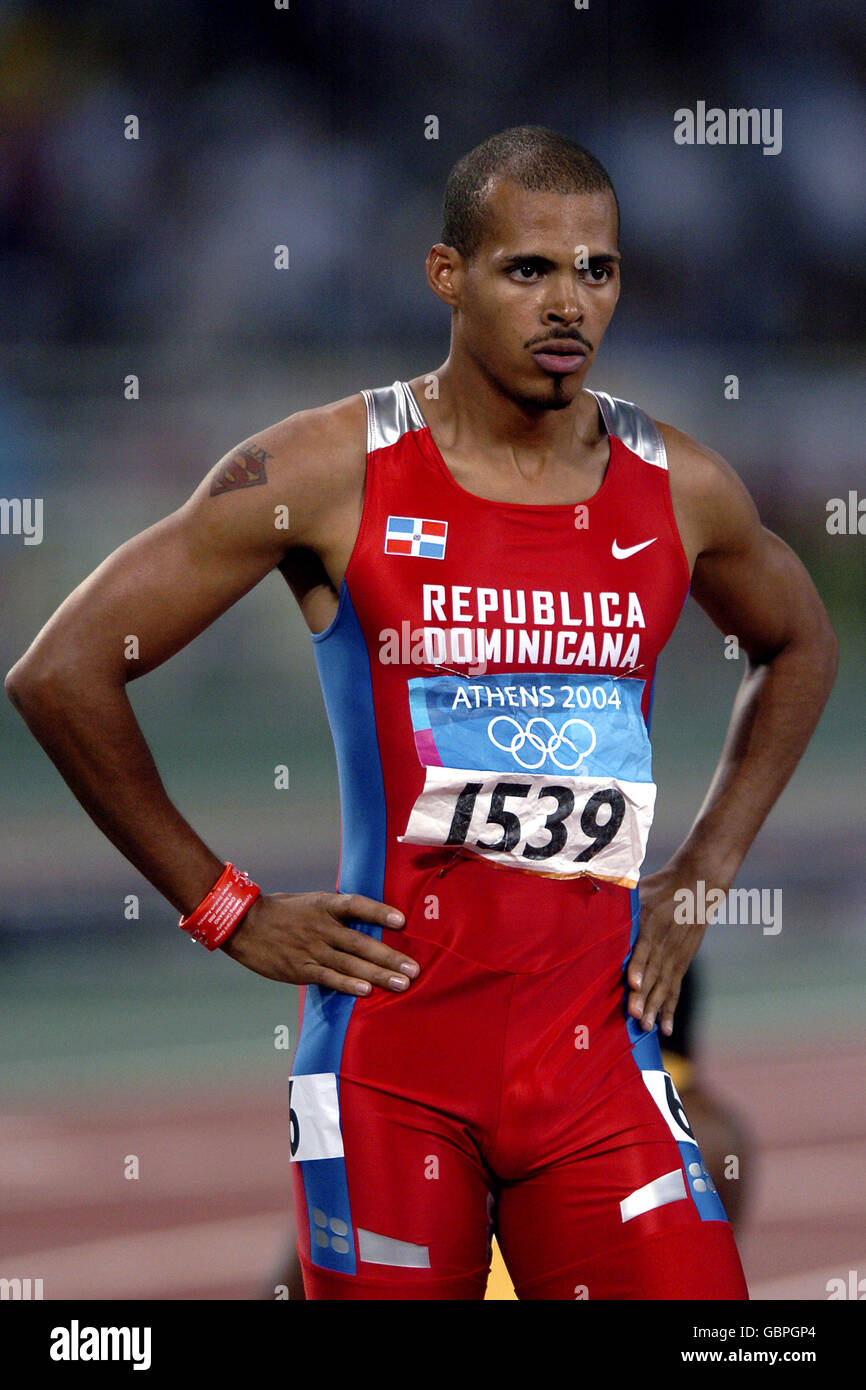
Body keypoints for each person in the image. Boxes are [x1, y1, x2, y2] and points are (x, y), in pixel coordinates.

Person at [6, 126, 836, 1301]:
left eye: (595, 270)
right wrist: (224, 908)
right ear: (446, 274)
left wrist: (703, 870)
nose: (568, 304)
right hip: (390, 1070)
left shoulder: (679, 486)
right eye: (528, 269)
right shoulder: (328, 470)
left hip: (594, 1060)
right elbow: (62, 668)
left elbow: (797, 641)